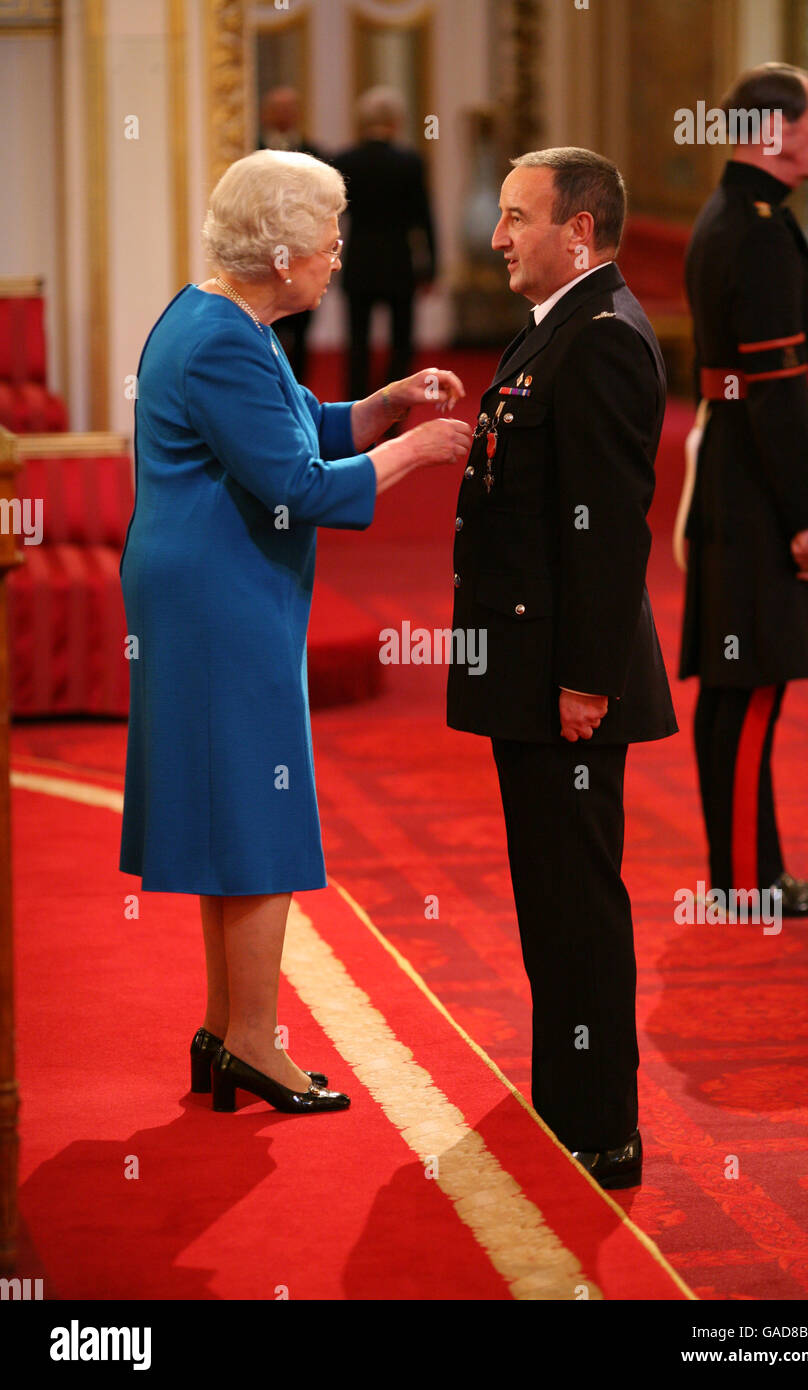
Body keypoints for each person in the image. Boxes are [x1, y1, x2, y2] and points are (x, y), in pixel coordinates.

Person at [119, 149, 470, 1117]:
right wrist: (415, 448)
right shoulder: (226, 336)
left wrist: (379, 405)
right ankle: (252, 1042)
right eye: (328, 243)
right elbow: (295, 484)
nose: (338, 258)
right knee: (260, 814)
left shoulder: (219, 315)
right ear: (278, 253)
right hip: (217, 597)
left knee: (229, 806)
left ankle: (228, 1029)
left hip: (203, 587)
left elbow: (292, 425)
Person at [446, 148, 677, 1189]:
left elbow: (606, 534)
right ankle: (561, 1096)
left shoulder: (601, 342)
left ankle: (600, 1126)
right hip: (533, 669)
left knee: (576, 900)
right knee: (546, 892)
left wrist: (586, 679)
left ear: (574, 230)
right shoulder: (557, 331)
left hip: (566, 682)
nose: (496, 237)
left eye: (514, 217)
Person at [679, 62, 808, 916]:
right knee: (752, 687)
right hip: (765, 490)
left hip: (744, 474)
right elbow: (779, 391)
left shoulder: (746, 216)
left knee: (743, 687)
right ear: (771, 132)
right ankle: (747, 883)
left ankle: (748, 872)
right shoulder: (753, 229)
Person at [333, 87, 437, 401]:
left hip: (359, 259)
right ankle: (394, 404)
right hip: (399, 261)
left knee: (357, 342)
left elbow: (336, 216)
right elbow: (425, 218)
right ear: (396, 121)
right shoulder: (410, 161)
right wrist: (431, 266)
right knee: (402, 341)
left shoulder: (346, 160)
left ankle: (356, 404)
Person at [258, 87, 325, 383]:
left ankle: (298, 393)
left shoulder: (317, 155)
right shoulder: (250, 151)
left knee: (301, 333)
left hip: (302, 257)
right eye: (277, 108)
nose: (284, 115)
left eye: (290, 108)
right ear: (265, 114)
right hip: (263, 257)